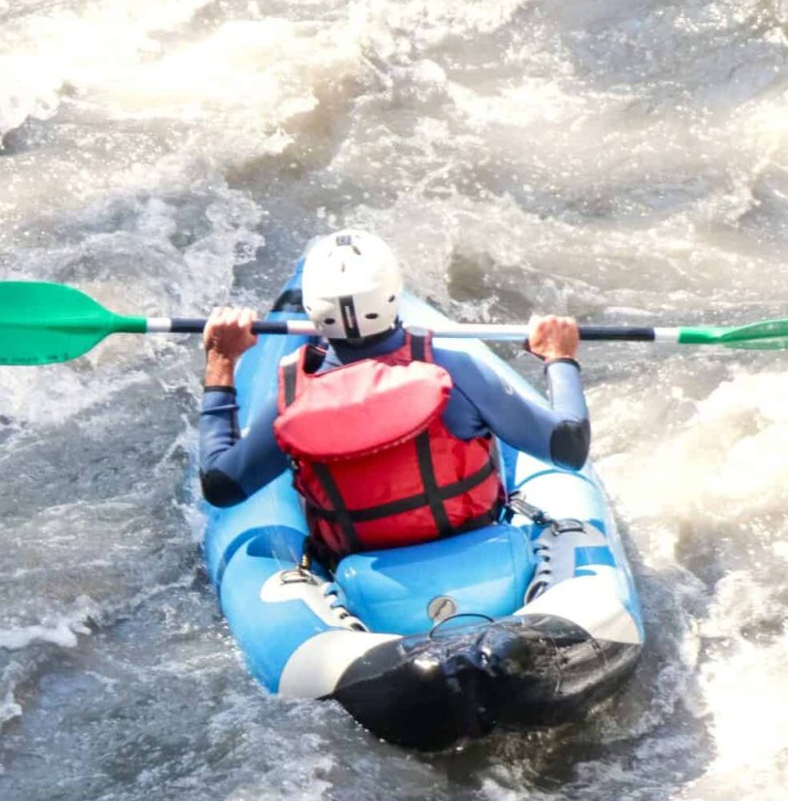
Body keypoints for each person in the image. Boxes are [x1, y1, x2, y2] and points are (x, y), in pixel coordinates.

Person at [197, 229, 594, 559]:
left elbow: (221, 485)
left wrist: (221, 360)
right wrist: (559, 357)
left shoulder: (292, 399)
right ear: (392, 293)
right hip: (479, 548)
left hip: (361, 580)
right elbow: (568, 446)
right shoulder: (456, 371)